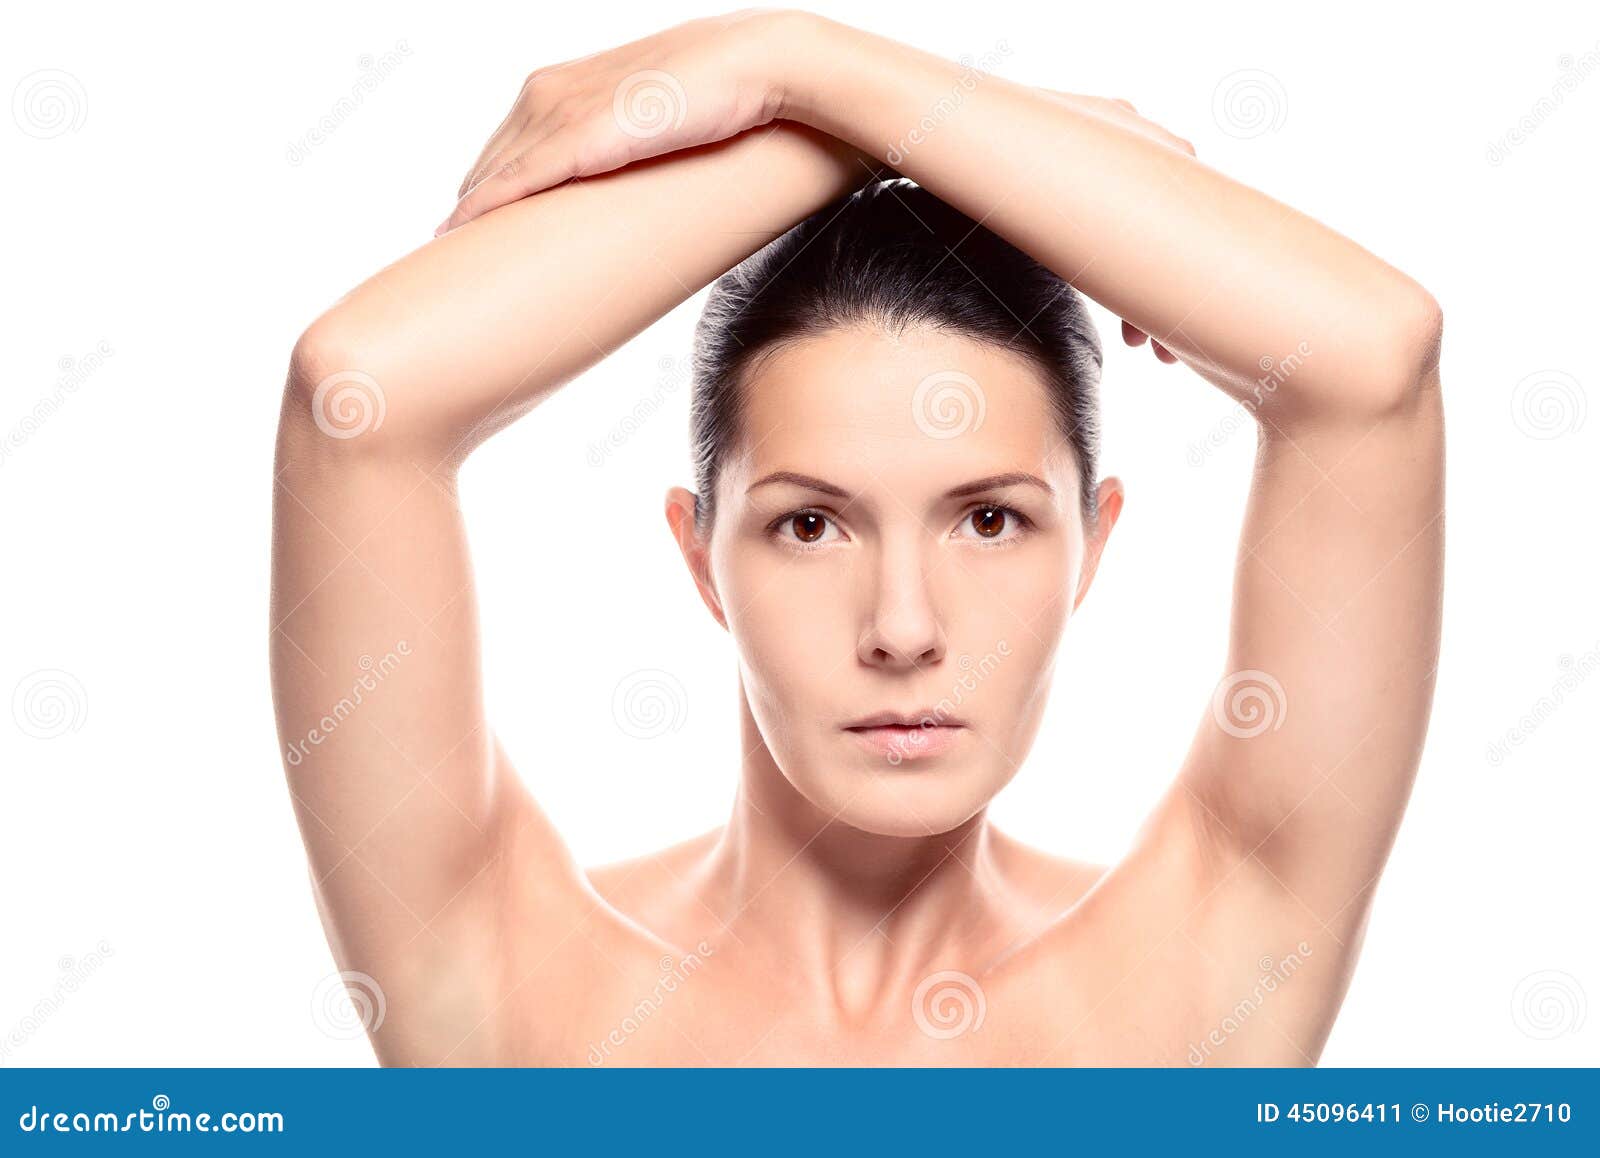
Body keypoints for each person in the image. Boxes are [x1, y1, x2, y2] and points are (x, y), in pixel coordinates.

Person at [271, 9, 1444, 1065]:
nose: (903, 628)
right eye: (810, 523)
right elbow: (357, 394)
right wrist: (901, 127)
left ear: (1092, 544)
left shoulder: (1199, 976)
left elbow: (1370, 360)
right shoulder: (512, 978)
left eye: (989, 519)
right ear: (700, 556)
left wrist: (794, 65)